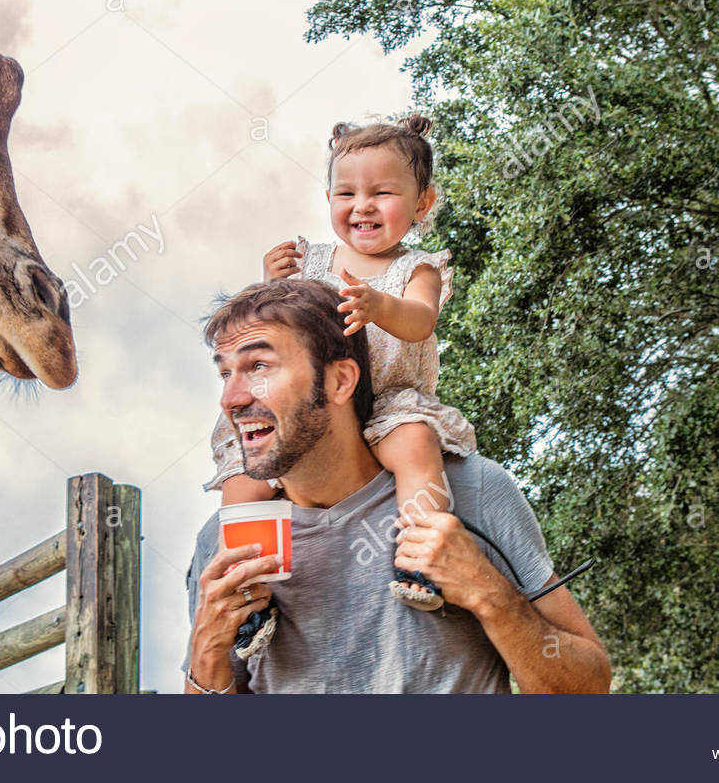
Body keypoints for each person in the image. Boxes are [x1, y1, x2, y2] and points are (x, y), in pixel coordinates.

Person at [184, 279, 610, 693]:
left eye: (258, 366)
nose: (231, 399)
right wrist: (206, 654)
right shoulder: (221, 542)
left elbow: (587, 690)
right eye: (226, 374)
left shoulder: (471, 489)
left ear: (339, 381)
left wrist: (488, 594)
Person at [207, 115, 477, 637]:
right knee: (246, 482)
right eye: (346, 192)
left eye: (383, 192)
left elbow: (420, 322)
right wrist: (269, 283)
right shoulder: (313, 260)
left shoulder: (417, 268)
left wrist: (380, 305)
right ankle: (247, 591)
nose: (363, 205)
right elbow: (274, 320)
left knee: (417, 449)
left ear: (422, 204)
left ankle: (421, 556)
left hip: (389, 401)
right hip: (310, 407)